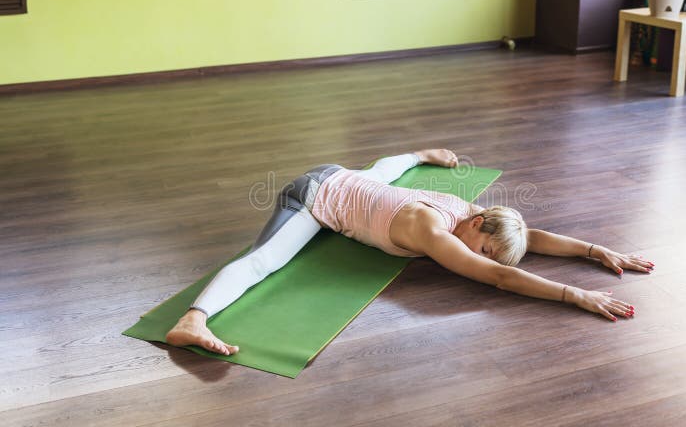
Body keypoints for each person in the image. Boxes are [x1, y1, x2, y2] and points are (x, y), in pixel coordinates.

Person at [166, 149, 654, 355]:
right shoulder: (433, 231)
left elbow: (531, 234)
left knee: (380, 178)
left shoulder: (466, 211)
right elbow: (499, 278)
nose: (480, 258)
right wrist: (575, 296)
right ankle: (192, 319)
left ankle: (422, 153)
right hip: (312, 195)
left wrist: (594, 250)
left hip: (349, 178)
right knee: (265, 262)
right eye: (483, 248)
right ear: (477, 223)